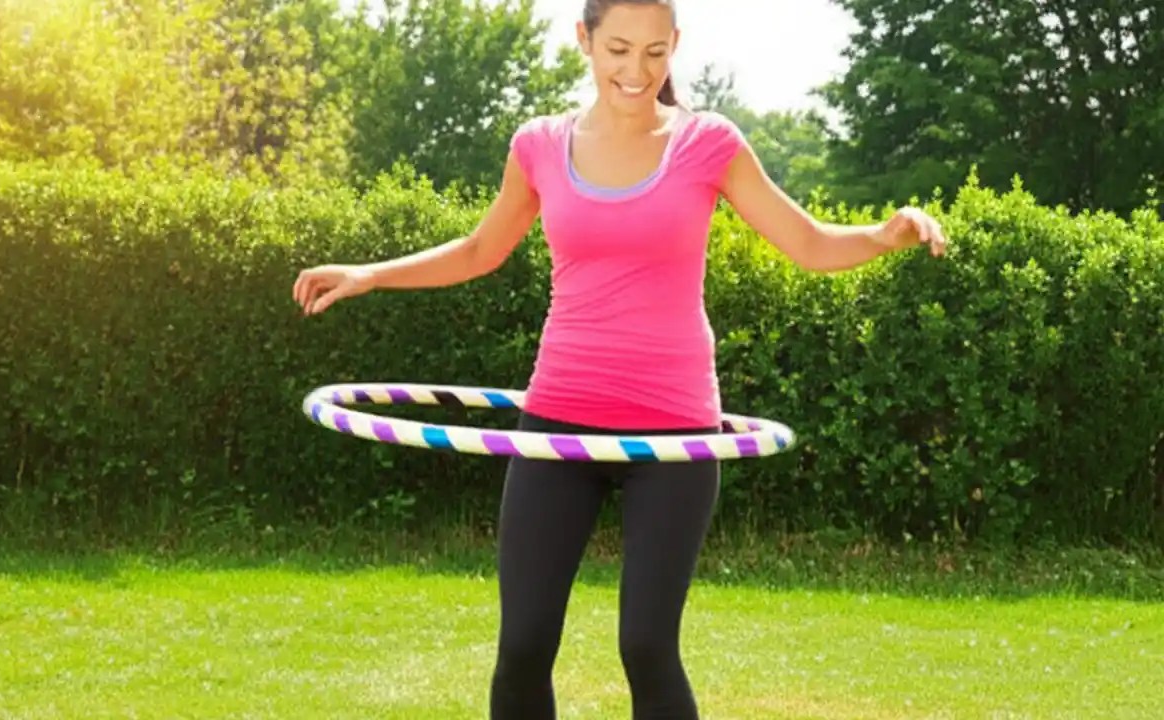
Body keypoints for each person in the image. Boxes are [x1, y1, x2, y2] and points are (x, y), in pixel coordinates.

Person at [292, 1, 948, 716]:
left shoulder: (709, 143)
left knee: (646, 645)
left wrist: (885, 236)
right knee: (523, 645)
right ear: (584, 40)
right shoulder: (539, 144)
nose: (636, 71)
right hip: (557, 419)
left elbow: (809, 243)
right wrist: (369, 273)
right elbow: (481, 250)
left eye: (654, 52)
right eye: (618, 50)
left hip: (674, 427)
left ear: (675, 48)